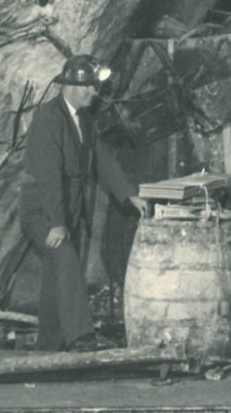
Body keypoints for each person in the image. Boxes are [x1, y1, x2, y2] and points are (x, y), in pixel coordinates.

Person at [18, 54, 145, 352]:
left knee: (55, 274)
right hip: (42, 210)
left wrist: (129, 194)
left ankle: (48, 347)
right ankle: (81, 337)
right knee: (65, 259)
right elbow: (47, 175)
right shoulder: (48, 119)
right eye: (87, 86)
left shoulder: (85, 120)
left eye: (94, 86)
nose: (93, 92)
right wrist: (57, 224)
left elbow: (101, 159)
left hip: (67, 207)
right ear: (69, 87)